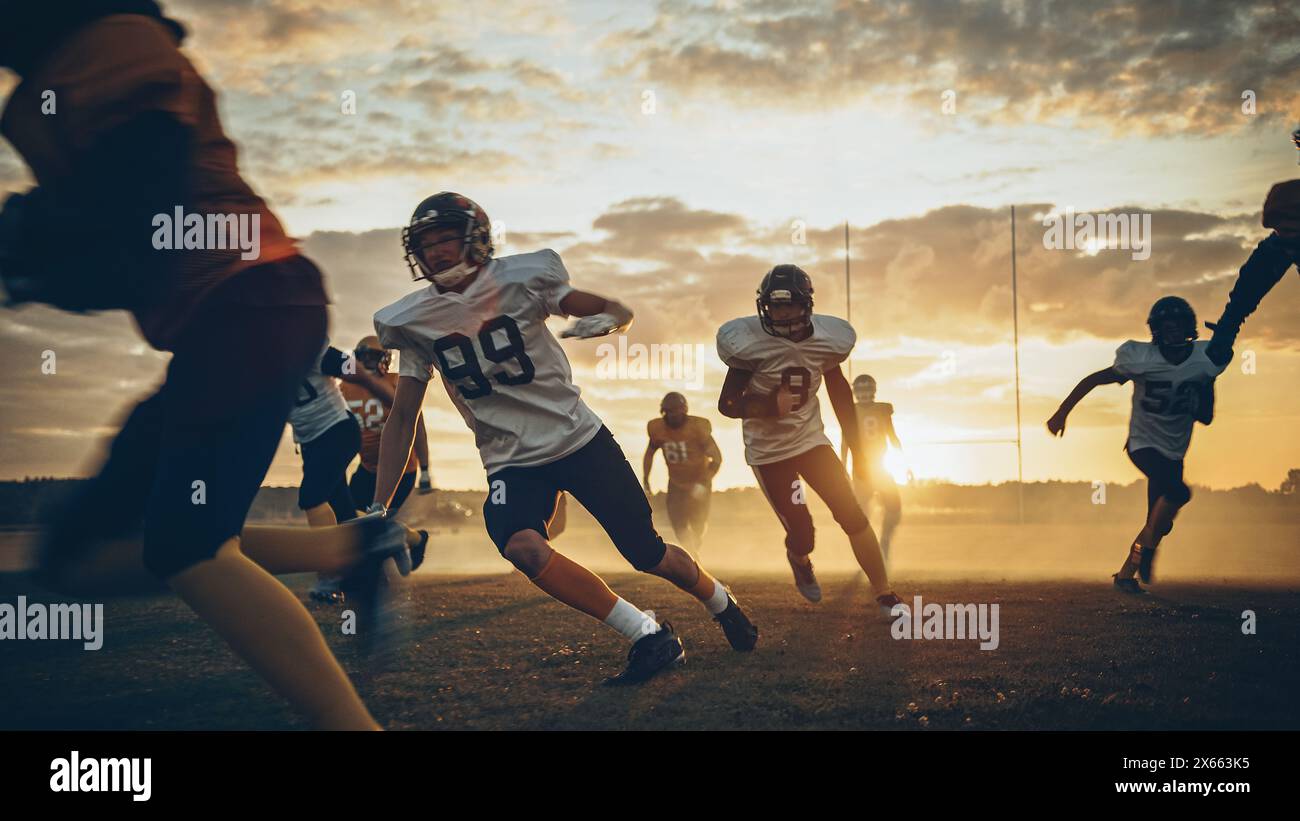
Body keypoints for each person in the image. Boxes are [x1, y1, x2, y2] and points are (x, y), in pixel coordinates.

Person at [0, 2, 408, 729]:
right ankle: (353, 544)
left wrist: (30, 249)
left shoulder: (108, 45)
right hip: (229, 322)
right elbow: (126, 241)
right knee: (78, 557)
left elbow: (141, 210)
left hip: (250, 302)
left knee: (188, 545)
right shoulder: (69, 67)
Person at [371, 192, 758, 686]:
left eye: (446, 237)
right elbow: (403, 415)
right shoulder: (412, 320)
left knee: (647, 553)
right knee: (522, 547)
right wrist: (379, 505)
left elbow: (607, 306)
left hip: (578, 440)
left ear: (477, 238)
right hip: (510, 460)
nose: (437, 251)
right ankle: (647, 635)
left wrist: (615, 316)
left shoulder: (522, 278)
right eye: (426, 244)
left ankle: (721, 601)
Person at [716, 264, 905, 617]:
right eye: (774, 306)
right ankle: (800, 559)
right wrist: (768, 407)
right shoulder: (749, 344)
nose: (781, 313)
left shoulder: (826, 340)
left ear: (805, 305)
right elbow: (727, 404)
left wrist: (860, 453)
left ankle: (885, 593)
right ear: (764, 306)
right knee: (803, 531)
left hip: (810, 443)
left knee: (851, 513)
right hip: (770, 454)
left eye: (788, 305)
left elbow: (841, 396)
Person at [1047, 297, 1223, 593]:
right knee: (1178, 493)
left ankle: (1126, 575)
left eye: (1177, 325)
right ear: (1156, 330)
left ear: (1188, 328)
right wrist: (1061, 412)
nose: (1172, 331)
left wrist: (1203, 386)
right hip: (1143, 444)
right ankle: (1148, 554)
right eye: (1166, 326)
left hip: (1174, 451)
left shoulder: (1202, 361)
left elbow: (1205, 417)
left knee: (1158, 523)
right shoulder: (1141, 358)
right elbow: (1094, 379)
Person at [643, 392, 721, 557]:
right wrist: (646, 478)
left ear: (684, 410)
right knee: (678, 522)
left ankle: (695, 547)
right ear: (664, 412)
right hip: (676, 482)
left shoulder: (697, 428)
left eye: (677, 410)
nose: (673, 415)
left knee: (698, 522)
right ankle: (691, 553)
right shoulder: (658, 429)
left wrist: (704, 481)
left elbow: (716, 458)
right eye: (670, 411)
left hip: (699, 482)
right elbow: (649, 454)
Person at [841, 375, 904, 564]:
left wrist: (843, 466)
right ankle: (876, 545)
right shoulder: (881, 409)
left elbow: (845, 443)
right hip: (873, 468)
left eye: (866, 389)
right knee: (882, 510)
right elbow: (893, 438)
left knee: (889, 509)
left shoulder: (851, 410)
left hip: (869, 467)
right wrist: (904, 462)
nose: (865, 394)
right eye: (862, 390)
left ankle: (879, 543)